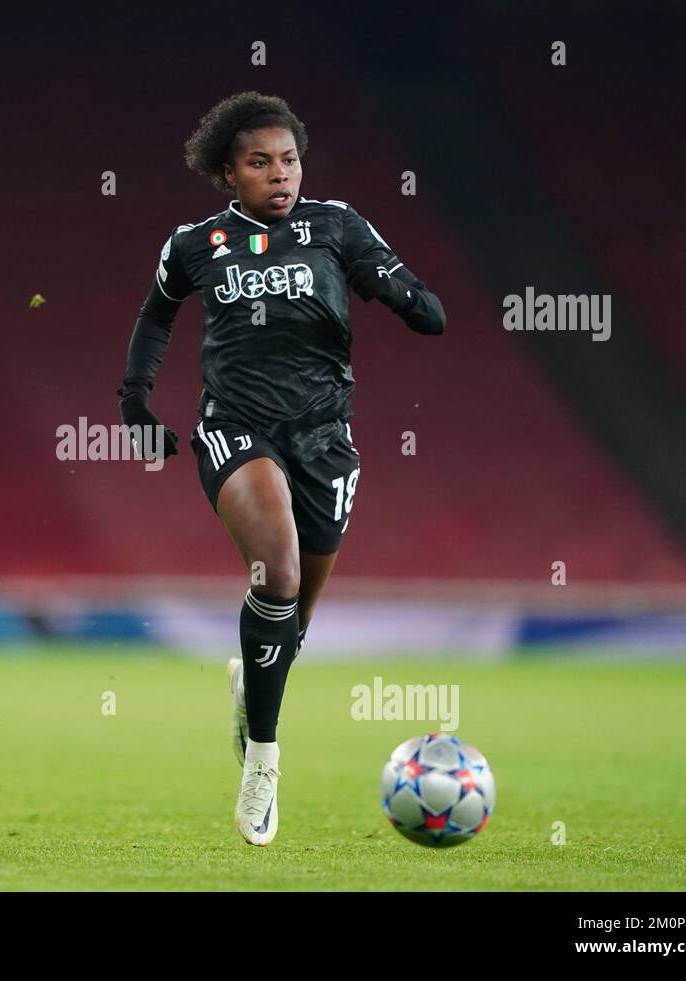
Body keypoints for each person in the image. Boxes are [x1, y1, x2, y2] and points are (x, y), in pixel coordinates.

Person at [118, 91, 446, 846]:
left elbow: (429, 310)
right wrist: (136, 400)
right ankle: (262, 762)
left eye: (288, 159)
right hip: (235, 427)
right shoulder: (195, 244)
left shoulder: (337, 225)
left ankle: (250, 691)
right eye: (260, 163)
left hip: (326, 439)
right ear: (228, 174)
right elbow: (156, 312)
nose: (279, 174)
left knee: (292, 622)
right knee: (280, 570)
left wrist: (402, 294)